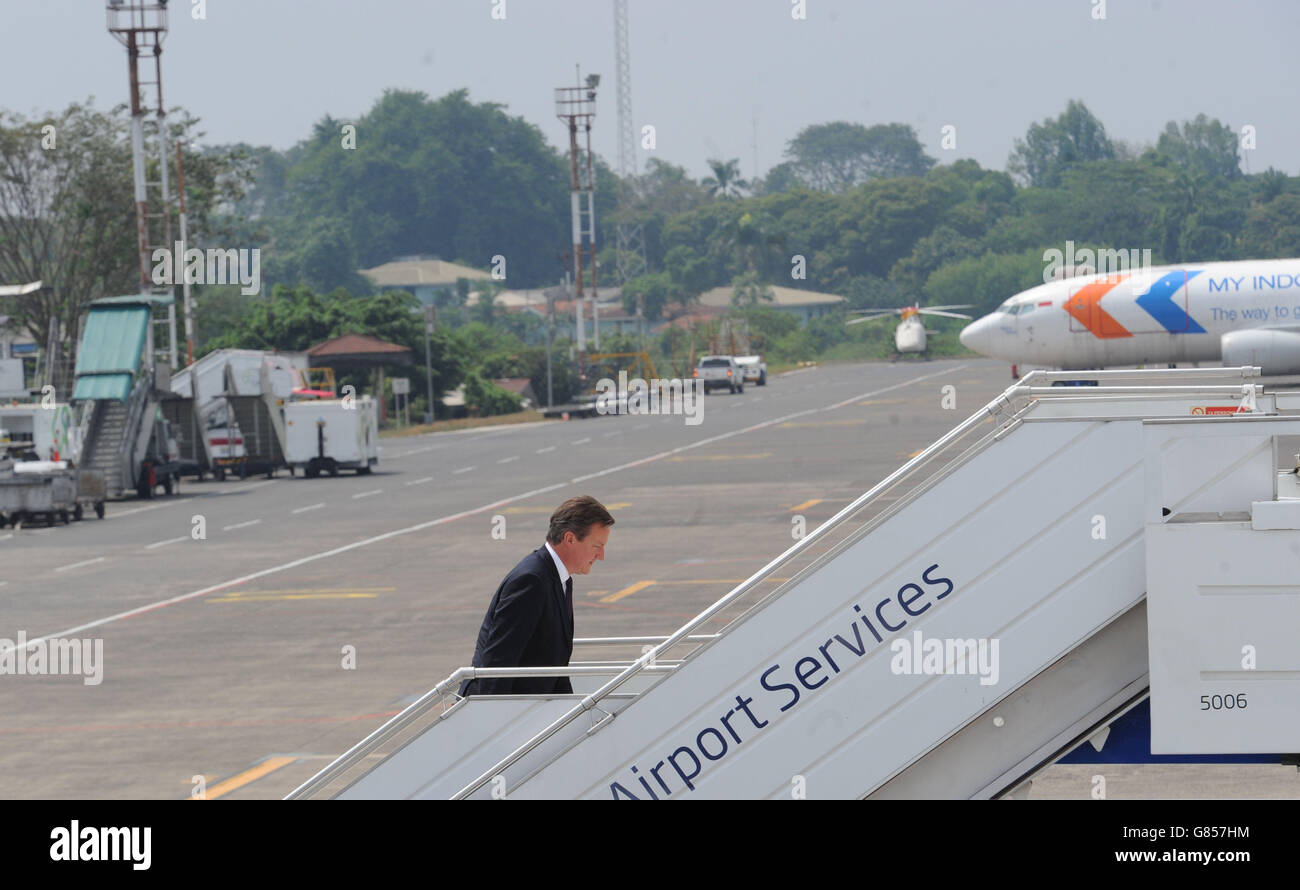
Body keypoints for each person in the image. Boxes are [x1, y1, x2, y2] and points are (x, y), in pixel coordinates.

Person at [458, 495, 614, 697]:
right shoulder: (531, 580)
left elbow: (556, 666)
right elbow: (498, 662)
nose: (601, 556)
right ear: (570, 539)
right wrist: (492, 717)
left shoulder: (561, 579)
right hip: (504, 710)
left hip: (531, 709)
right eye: (597, 546)